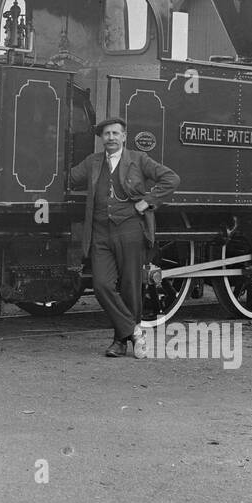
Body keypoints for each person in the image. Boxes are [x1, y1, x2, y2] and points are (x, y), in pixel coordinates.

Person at [68, 117, 180, 358]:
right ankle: (135, 331)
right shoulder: (92, 161)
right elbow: (69, 176)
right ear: (101, 138)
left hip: (130, 230)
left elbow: (171, 178)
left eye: (115, 133)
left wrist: (147, 202)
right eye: (106, 134)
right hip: (99, 232)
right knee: (102, 285)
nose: (111, 138)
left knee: (130, 287)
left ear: (124, 136)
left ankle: (120, 342)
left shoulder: (138, 159)